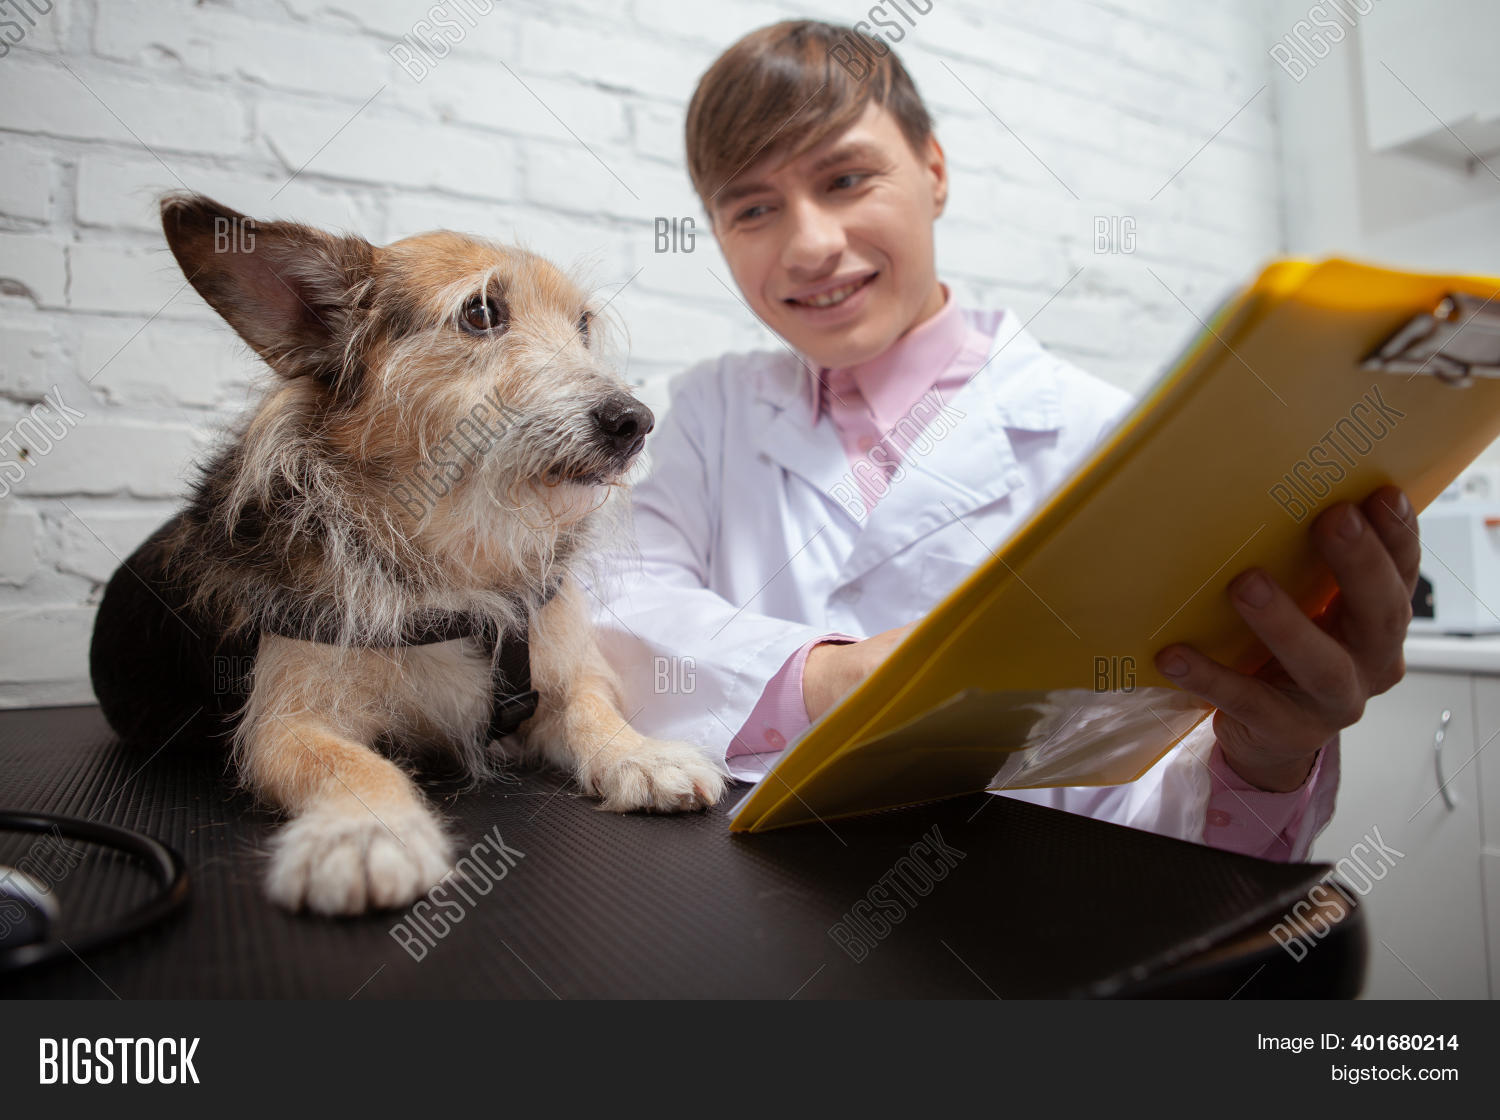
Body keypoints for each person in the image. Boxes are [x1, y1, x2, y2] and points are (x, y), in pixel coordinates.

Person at [586, 20, 1418, 861]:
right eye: (753, 208)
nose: (810, 245)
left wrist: (1266, 760)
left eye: (844, 178)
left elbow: (1156, 816)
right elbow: (613, 612)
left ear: (934, 171)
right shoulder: (712, 408)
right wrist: (830, 679)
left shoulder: (1103, 438)